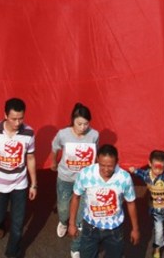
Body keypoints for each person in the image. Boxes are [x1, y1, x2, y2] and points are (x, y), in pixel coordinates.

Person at [0, 96, 37, 258]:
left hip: (20, 183)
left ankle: (12, 252)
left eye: (21, 118)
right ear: (5, 115)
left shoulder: (28, 133)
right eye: (14, 119)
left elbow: (30, 158)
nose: (17, 123)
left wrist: (33, 184)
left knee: (18, 222)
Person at [69, 143, 140, 258]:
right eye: (102, 165)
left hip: (115, 229)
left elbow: (131, 203)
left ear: (117, 161)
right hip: (90, 226)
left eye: (110, 166)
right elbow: (75, 197)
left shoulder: (124, 178)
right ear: (97, 159)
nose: (106, 169)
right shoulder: (85, 174)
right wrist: (72, 224)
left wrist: (135, 229)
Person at [50, 103, 100, 240]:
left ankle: (78, 223)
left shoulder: (94, 135)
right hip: (65, 177)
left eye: (86, 124)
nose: (83, 128)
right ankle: (63, 221)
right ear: (73, 120)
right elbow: (55, 147)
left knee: (82, 205)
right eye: (79, 124)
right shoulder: (63, 134)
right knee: (63, 206)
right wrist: (53, 161)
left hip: (84, 179)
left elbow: (95, 153)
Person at [133, 151, 164, 258]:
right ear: (149, 163)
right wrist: (134, 170)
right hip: (156, 211)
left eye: (161, 168)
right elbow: (140, 173)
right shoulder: (147, 174)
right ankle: (157, 249)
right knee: (158, 231)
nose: (158, 171)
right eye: (156, 167)